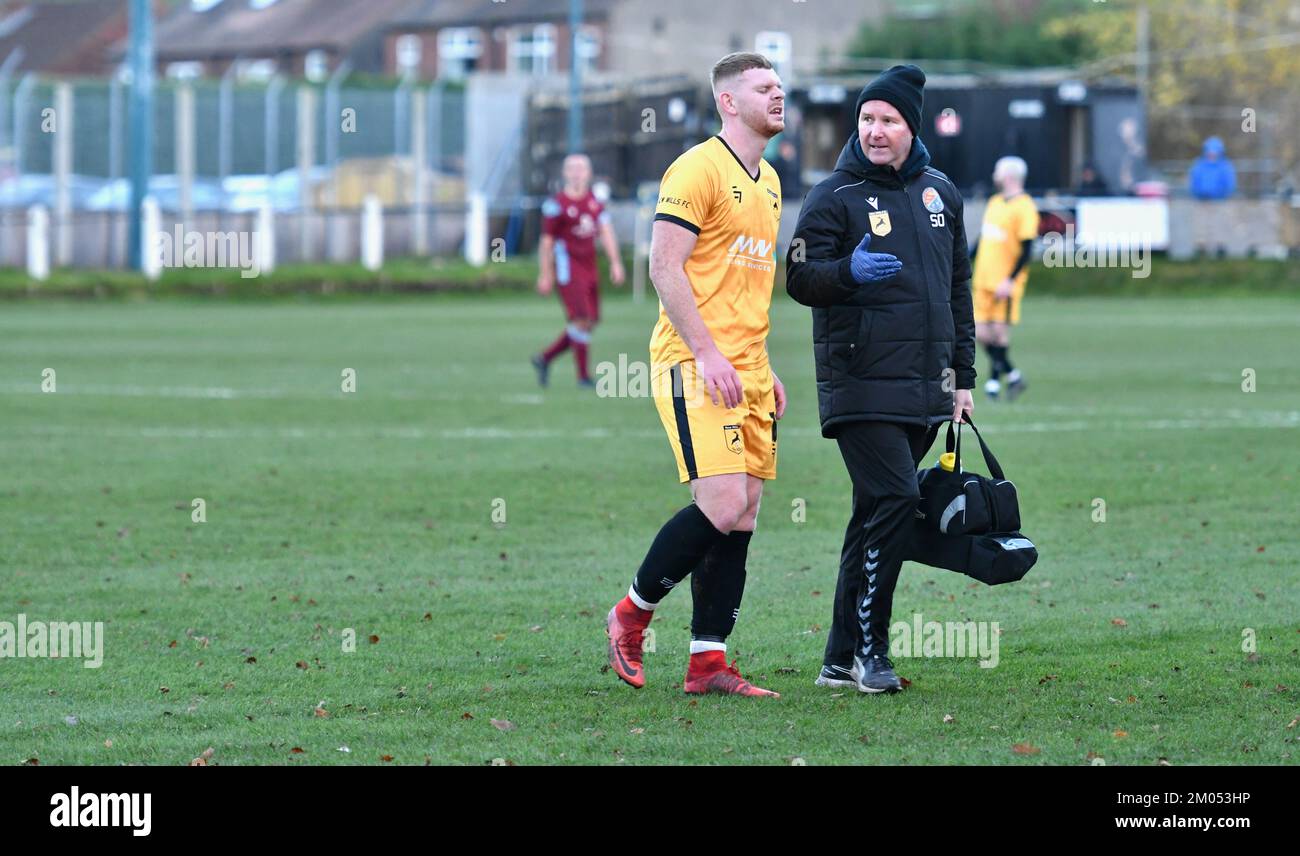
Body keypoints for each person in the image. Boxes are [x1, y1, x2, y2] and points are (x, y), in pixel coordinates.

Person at [785, 64, 975, 693]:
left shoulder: (941, 193)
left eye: (886, 120)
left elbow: (958, 291)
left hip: (926, 385)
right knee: (897, 499)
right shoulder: (832, 195)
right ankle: (873, 653)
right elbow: (800, 278)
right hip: (860, 382)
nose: (874, 129)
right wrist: (848, 272)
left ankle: (837, 661)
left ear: (909, 127)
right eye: (866, 118)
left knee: (872, 514)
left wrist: (964, 378)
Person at [604, 52, 787, 697]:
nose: (779, 95)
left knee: (744, 516)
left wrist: (767, 369)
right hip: (695, 364)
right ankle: (630, 614)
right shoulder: (696, 168)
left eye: (780, 85)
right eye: (765, 88)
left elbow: (746, 287)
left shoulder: (769, 180)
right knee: (722, 502)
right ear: (729, 102)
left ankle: (707, 663)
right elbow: (664, 266)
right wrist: (708, 354)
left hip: (750, 371)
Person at [531, 153, 625, 388]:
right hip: (568, 269)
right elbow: (546, 242)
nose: (576, 172)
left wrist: (615, 262)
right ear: (564, 173)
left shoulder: (595, 201)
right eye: (571, 168)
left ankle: (544, 358)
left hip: (589, 267)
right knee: (581, 320)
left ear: (588, 173)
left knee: (590, 321)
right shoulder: (556, 205)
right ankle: (583, 377)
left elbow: (606, 231)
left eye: (581, 168)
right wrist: (545, 274)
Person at [972, 156, 1039, 401]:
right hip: (983, 279)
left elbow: (1027, 249)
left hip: (1004, 282)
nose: (994, 174)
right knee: (979, 332)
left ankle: (992, 383)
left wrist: (1010, 279)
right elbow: (984, 239)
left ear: (1009, 176)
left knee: (999, 333)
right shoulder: (995, 202)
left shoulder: (1025, 207)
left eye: (997, 170)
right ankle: (1012, 375)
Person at [1188, 136, 1236, 201]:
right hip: (1201, 200)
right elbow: (1193, 182)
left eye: (1214, 153)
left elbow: (1229, 184)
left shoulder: (1225, 166)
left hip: (1220, 201)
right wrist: (1198, 194)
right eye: (1210, 152)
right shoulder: (1199, 165)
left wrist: (1222, 195)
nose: (1212, 154)